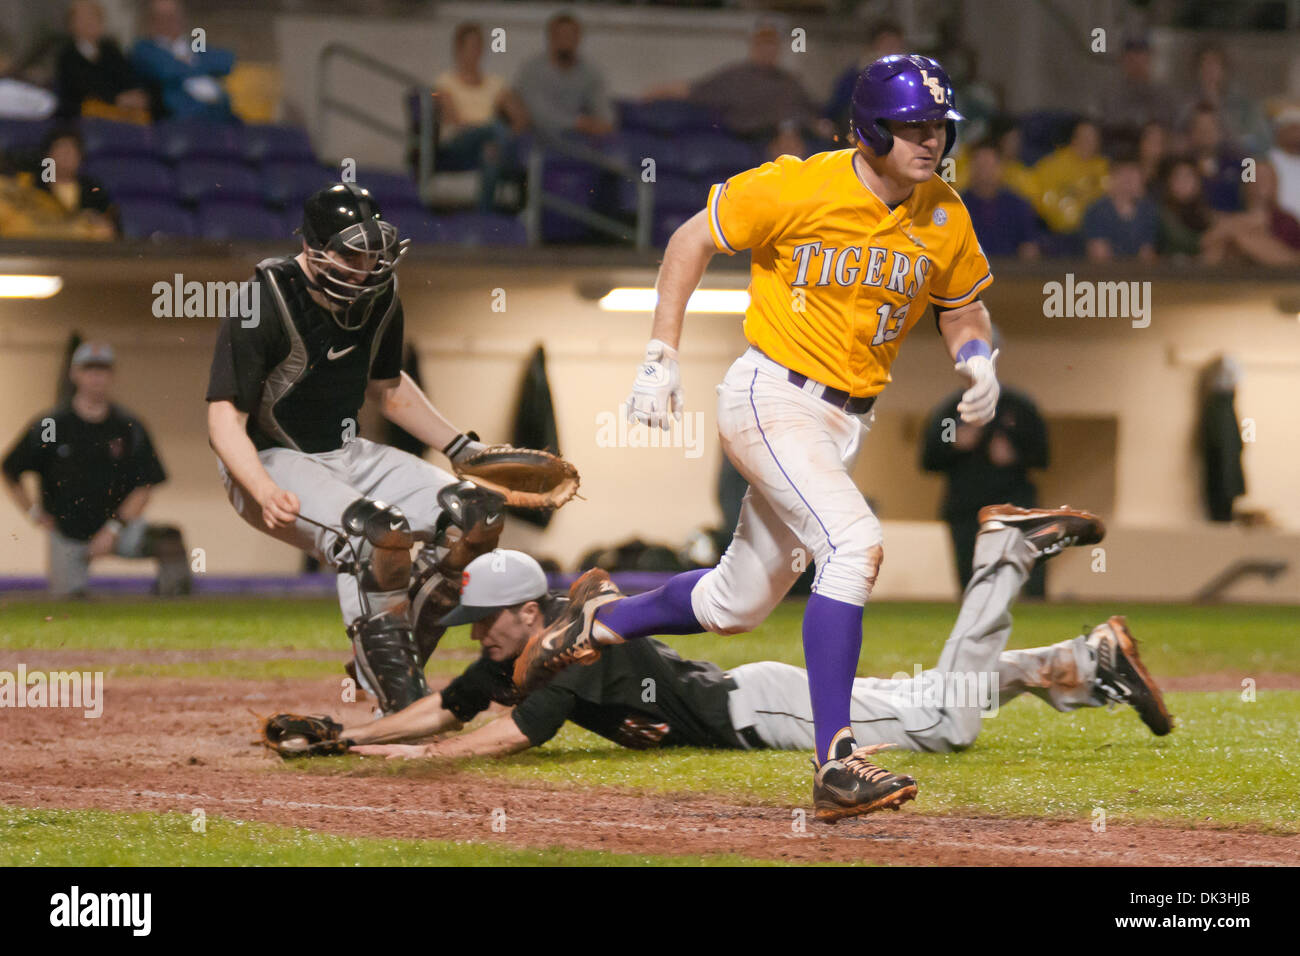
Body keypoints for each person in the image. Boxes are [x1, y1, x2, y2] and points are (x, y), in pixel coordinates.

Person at [510, 54, 1002, 823]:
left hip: (844, 420)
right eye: (912, 126)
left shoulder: (945, 212)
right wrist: (660, 355)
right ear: (872, 125)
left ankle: (598, 621)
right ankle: (835, 761)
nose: (929, 140)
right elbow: (688, 240)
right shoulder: (797, 183)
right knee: (854, 544)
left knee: (735, 604)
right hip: (771, 394)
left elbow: (962, 306)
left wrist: (977, 360)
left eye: (938, 126)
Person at [280, 524, 1172, 763]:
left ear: (523, 610)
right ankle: (1077, 665)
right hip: (754, 697)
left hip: (758, 710)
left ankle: (1004, 556)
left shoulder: (567, 647)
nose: (481, 638)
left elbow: (504, 734)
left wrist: (409, 774)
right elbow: (448, 707)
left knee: (945, 725)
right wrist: (350, 738)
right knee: (929, 706)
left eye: (486, 623)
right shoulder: (528, 642)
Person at [205, 182, 506, 717]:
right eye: (351, 252)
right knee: (377, 533)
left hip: (346, 453)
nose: (365, 267)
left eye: (373, 253)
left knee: (475, 515)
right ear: (313, 248)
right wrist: (261, 487)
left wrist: (462, 448)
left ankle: (388, 653)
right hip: (270, 460)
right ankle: (399, 702)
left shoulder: (382, 296)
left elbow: (386, 387)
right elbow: (224, 415)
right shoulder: (264, 296)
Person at [2, 342, 191, 598]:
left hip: (119, 528)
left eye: (102, 370)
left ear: (112, 375)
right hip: (67, 534)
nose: (96, 377)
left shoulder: (129, 426)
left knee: (170, 541)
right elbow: (10, 469)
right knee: (68, 603)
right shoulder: (52, 424)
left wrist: (113, 529)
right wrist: (34, 513)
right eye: (89, 370)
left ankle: (174, 606)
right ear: (75, 374)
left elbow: (145, 486)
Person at [921, 378, 1049, 596]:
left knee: (1027, 571)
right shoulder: (952, 412)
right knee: (971, 575)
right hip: (967, 509)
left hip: (1014, 505)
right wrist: (955, 445)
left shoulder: (1017, 407)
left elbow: (1042, 455)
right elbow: (931, 458)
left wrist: (1014, 455)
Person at [432, 22, 527, 213]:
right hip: (459, 145)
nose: (475, 51)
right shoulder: (445, 82)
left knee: (490, 152)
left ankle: (483, 215)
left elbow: (520, 117)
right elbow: (453, 122)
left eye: (479, 46)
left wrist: (507, 135)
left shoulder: (495, 83)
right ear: (458, 49)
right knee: (494, 129)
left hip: (489, 147)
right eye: (470, 46)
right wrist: (490, 131)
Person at [510, 12, 613, 139]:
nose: (566, 41)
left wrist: (604, 123)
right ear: (550, 37)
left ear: (579, 38)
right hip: (538, 136)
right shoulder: (532, 70)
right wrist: (577, 123)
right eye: (561, 36)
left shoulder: (590, 72)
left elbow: (603, 107)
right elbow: (537, 114)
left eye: (571, 36)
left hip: (578, 137)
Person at [130, 0, 235, 122]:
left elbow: (226, 61)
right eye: (162, 17)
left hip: (220, 112)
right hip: (179, 119)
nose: (169, 22)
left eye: (173, 15)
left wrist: (187, 64)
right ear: (151, 21)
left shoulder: (194, 45)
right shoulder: (145, 48)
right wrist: (197, 65)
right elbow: (166, 70)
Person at [54, 0, 149, 121]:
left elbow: (127, 77)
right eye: (83, 18)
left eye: (94, 16)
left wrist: (135, 94)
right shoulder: (67, 55)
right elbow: (81, 88)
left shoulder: (111, 50)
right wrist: (116, 98)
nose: (90, 22)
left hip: (122, 112)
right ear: (71, 25)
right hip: (85, 116)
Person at [1199, 160, 1300, 266]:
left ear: (1274, 183)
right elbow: (1207, 241)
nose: (1260, 182)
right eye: (1255, 178)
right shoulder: (1232, 218)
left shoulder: (1286, 221)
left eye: (1265, 178)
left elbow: (1294, 260)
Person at [1177, 42, 1271, 156]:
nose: (1209, 70)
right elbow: (1178, 137)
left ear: (1225, 70)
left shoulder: (1244, 105)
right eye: (1204, 64)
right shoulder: (1186, 103)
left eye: (1214, 64)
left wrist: (1217, 106)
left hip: (1236, 162)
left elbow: (1261, 142)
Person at [823, 20, 905, 135]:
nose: (890, 49)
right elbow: (837, 106)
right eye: (885, 44)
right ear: (874, 46)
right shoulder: (857, 73)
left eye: (895, 45)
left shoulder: (908, 75)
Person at [960, 140, 1039, 258]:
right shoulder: (957, 206)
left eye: (990, 165)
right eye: (981, 166)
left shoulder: (1018, 206)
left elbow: (1029, 249)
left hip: (1010, 273)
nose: (985, 172)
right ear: (971, 168)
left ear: (1001, 167)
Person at [33, 127, 117, 237]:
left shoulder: (93, 190)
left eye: (72, 150)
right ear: (47, 155)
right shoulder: (34, 187)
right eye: (61, 149)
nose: (67, 155)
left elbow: (109, 224)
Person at [1030, 118, 1109, 236]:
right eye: (1083, 136)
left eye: (1093, 138)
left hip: (1099, 232)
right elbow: (1044, 205)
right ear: (1073, 138)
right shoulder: (1051, 166)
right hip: (1063, 233)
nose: (1088, 142)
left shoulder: (1105, 166)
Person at [1093, 35, 1179, 135]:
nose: (1136, 63)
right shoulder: (1110, 94)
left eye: (1140, 57)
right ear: (1123, 60)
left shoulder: (1164, 95)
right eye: (1131, 59)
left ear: (1149, 59)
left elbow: (1172, 128)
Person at [1083, 156, 1159, 262]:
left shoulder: (1148, 210)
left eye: (1136, 176)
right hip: (1107, 275)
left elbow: (1147, 253)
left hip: (1140, 275)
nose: (1132, 181)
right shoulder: (1097, 212)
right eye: (1126, 176)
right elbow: (1100, 256)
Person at [1155, 156, 1211, 258]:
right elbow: (1190, 244)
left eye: (1188, 176)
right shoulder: (1162, 212)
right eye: (1178, 177)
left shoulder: (1202, 211)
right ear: (1169, 183)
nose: (1183, 183)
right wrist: (1223, 232)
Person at [1267, 106, 1300, 223]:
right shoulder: (1263, 161)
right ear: (1280, 131)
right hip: (1280, 226)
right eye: (1294, 128)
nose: (1298, 133)